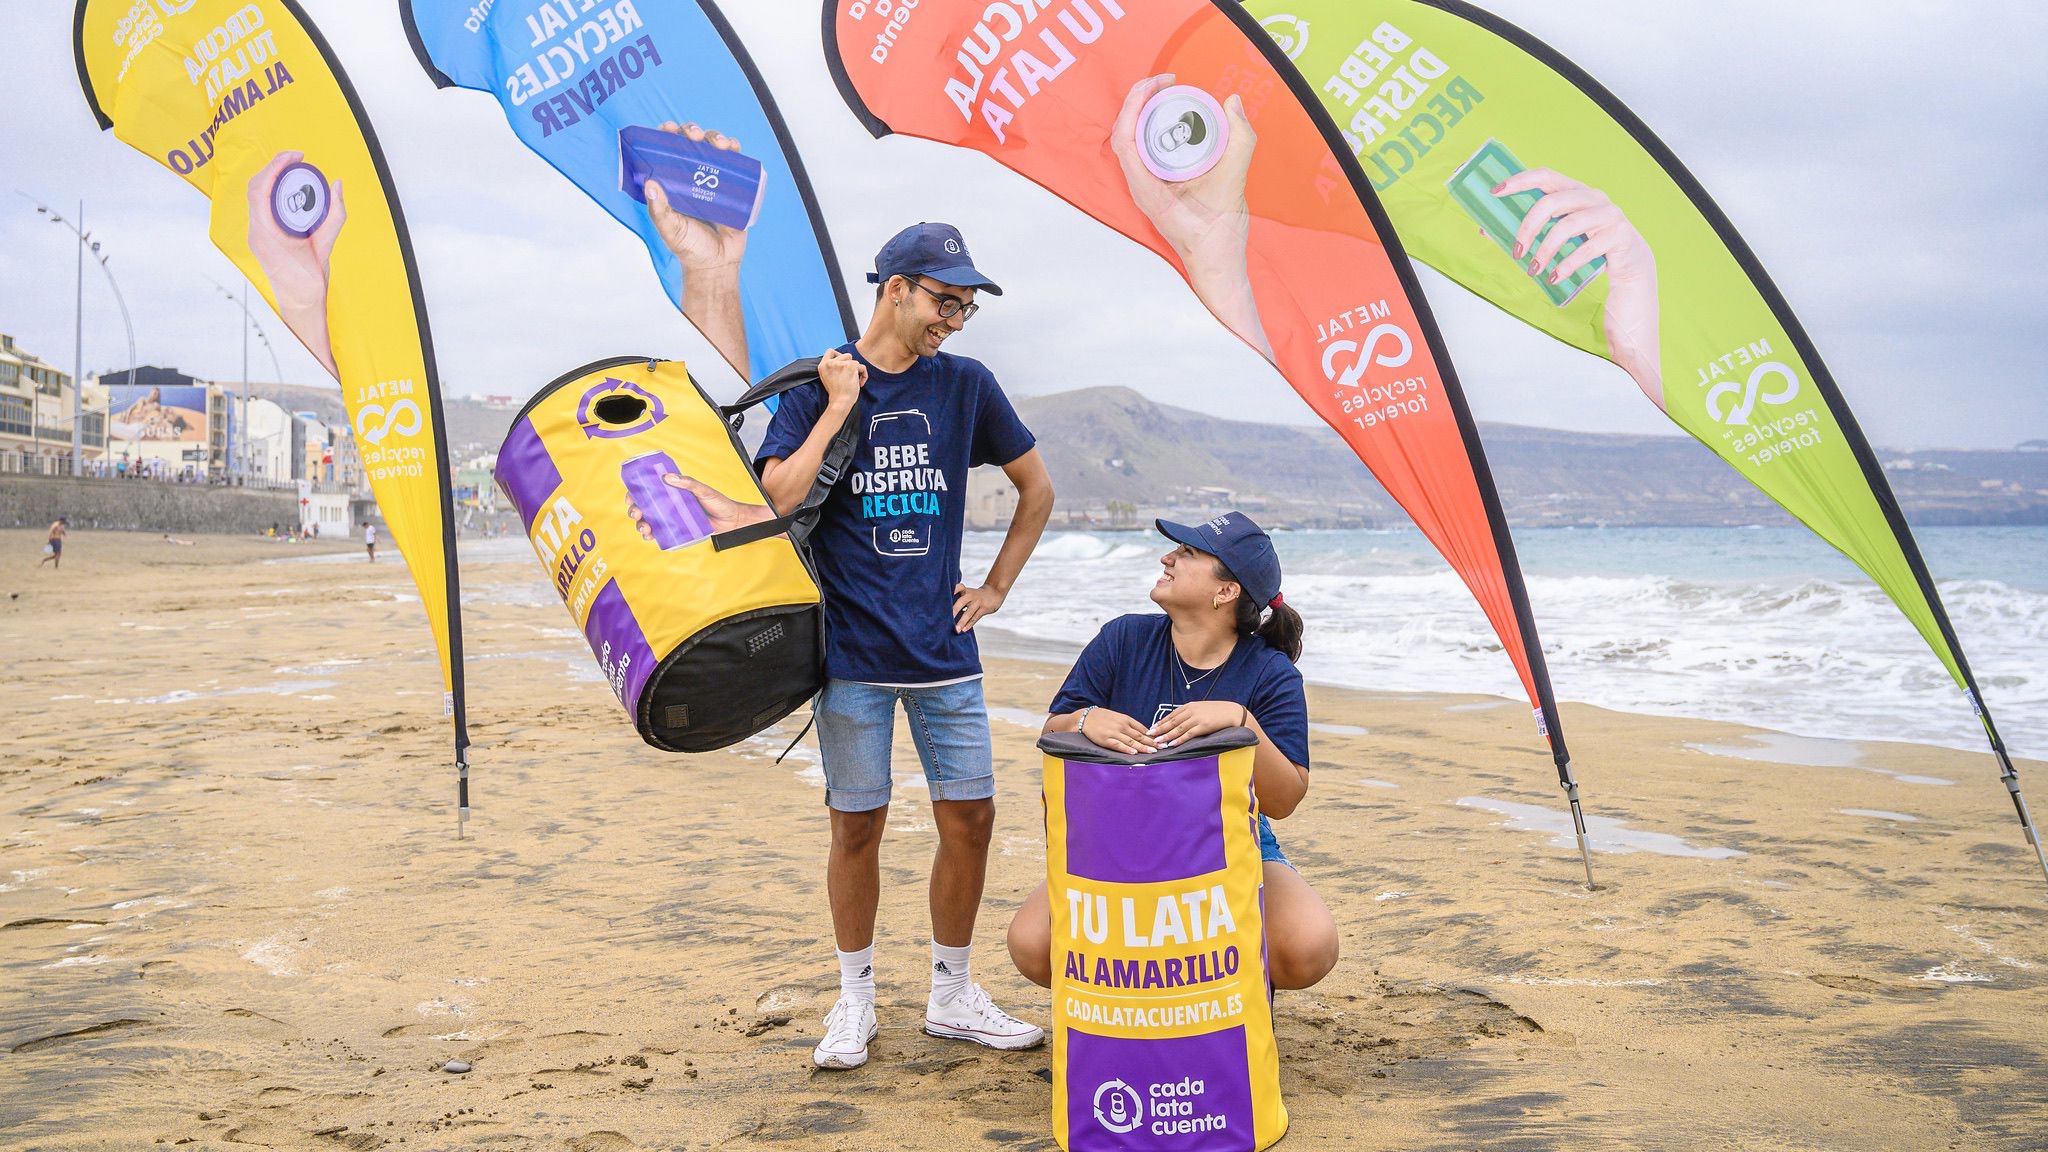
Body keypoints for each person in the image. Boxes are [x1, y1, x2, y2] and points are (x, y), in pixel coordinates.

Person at [753, 223, 1056, 1071]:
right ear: (896, 290)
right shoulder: (818, 386)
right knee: (857, 828)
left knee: (972, 820)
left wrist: (995, 589)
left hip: (944, 654)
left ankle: (952, 995)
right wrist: (839, 405)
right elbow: (777, 498)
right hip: (850, 656)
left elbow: (1036, 488)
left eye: (965, 309)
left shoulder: (965, 385)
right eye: (944, 303)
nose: (952, 322)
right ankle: (854, 1001)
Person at [1007, 512, 1339, 994]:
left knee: (1306, 948)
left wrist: (1241, 722)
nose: (1167, 558)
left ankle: (1229, 989)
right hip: (1118, 839)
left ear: (1226, 591)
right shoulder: (1123, 638)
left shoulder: (1271, 673)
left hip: (1230, 844)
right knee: (1033, 946)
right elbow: (1054, 729)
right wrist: (1083, 720)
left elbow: (1286, 799)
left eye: (1187, 553)